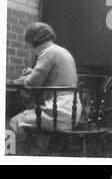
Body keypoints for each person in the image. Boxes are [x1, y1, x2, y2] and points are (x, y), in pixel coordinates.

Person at [8, 22, 82, 151]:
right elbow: (54, 77)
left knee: (11, 124)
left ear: (32, 42)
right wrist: (33, 73)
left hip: (58, 111)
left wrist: (22, 80)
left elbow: (33, 83)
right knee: (32, 128)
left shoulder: (47, 53)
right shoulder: (60, 51)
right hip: (71, 110)